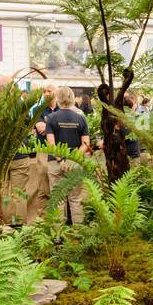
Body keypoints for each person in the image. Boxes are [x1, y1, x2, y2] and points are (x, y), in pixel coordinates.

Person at [44, 86, 92, 224]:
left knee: (57, 199)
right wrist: (72, 160)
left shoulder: (51, 118)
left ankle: (58, 235)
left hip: (55, 163)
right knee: (75, 199)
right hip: (75, 164)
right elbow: (85, 144)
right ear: (72, 99)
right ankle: (78, 233)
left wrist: (61, 161)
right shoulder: (81, 118)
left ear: (58, 99)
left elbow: (51, 145)